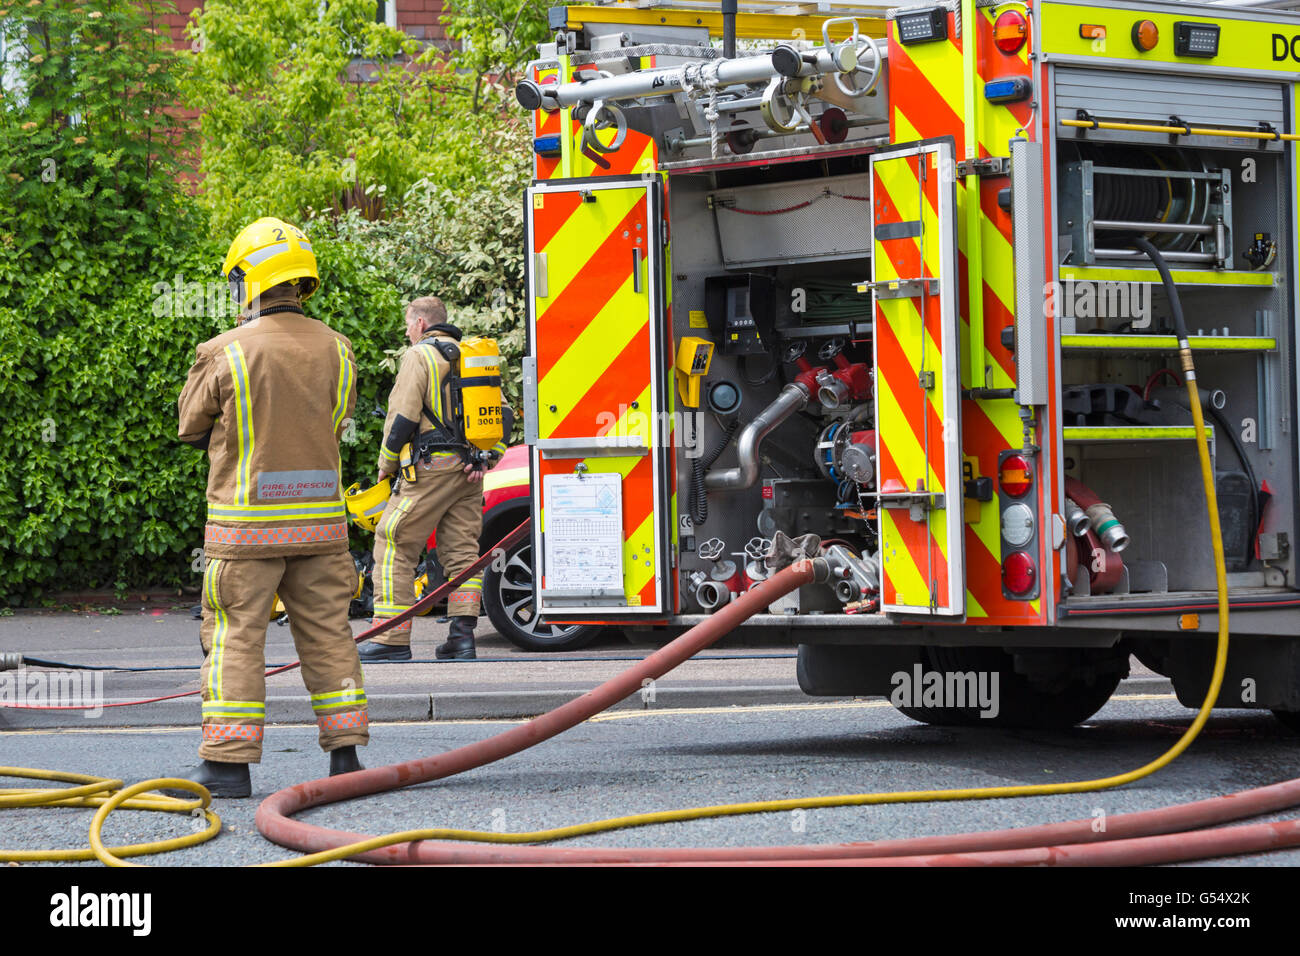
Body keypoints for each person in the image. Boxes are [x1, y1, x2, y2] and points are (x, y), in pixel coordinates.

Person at [174, 217, 368, 798]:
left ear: (249, 282)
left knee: (235, 637)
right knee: (331, 634)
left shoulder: (224, 352)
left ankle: (228, 766)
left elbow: (188, 426)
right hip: (322, 528)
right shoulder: (339, 348)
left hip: (246, 532)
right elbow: (338, 420)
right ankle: (347, 759)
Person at [357, 297, 505, 662]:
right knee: (462, 554)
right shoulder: (472, 356)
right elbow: (503, 414)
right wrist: (488, 458)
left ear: (421, 323)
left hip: (430, 468)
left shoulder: (418, 356)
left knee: (393, 540)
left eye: (408, 324)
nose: (407, 331)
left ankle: (390, 639)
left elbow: (403, 417)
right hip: (469, 471)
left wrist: (385, 464)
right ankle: (461, 638)